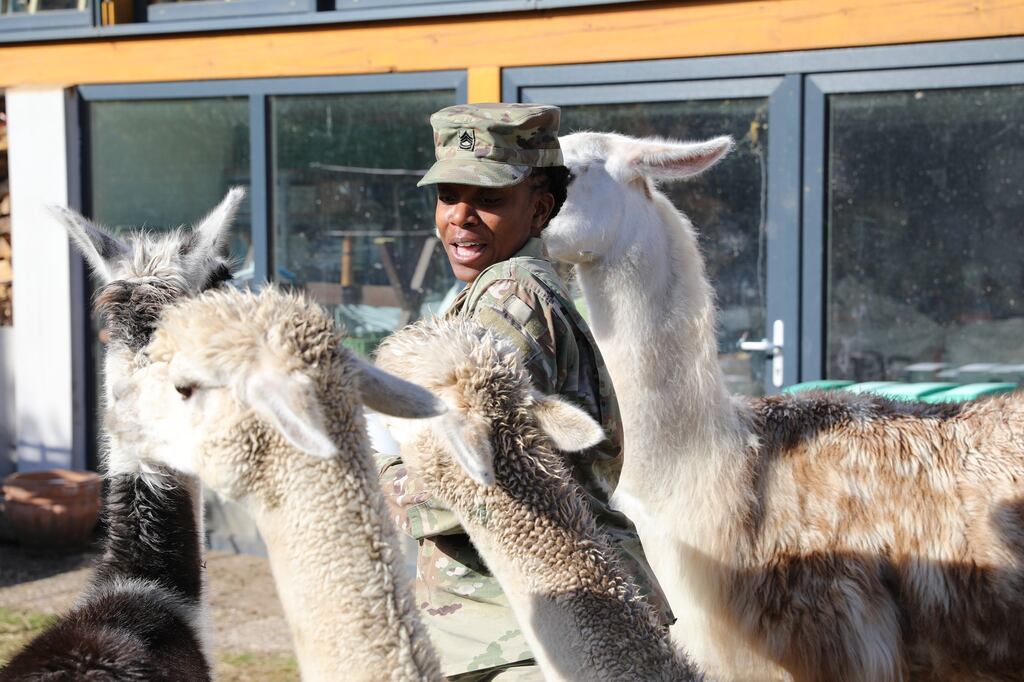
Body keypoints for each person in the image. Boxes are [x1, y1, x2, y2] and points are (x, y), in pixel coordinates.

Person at [377, 103, 668, 681]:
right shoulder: (506, 288)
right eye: (448, 196)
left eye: (489, 199)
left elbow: (481, 477)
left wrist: (381, 466)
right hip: (530, 619)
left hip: (524, 632)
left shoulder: (508, 301)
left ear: (539, 207)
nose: (460, 218)